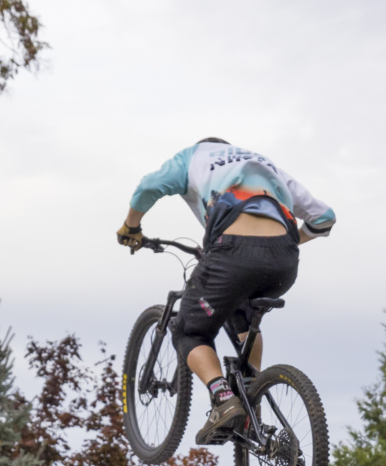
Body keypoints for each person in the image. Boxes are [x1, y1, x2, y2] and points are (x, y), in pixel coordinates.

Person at [118, 139, 336, 444]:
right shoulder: (264, 164)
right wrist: (271, 247)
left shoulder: (192, 157)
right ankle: (251, 393)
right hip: (283, 262)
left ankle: (223, 399)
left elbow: (149, 186)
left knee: (188, 332)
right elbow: (325, 218)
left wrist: (131, 227)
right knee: (241, 313)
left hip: (231, 251)